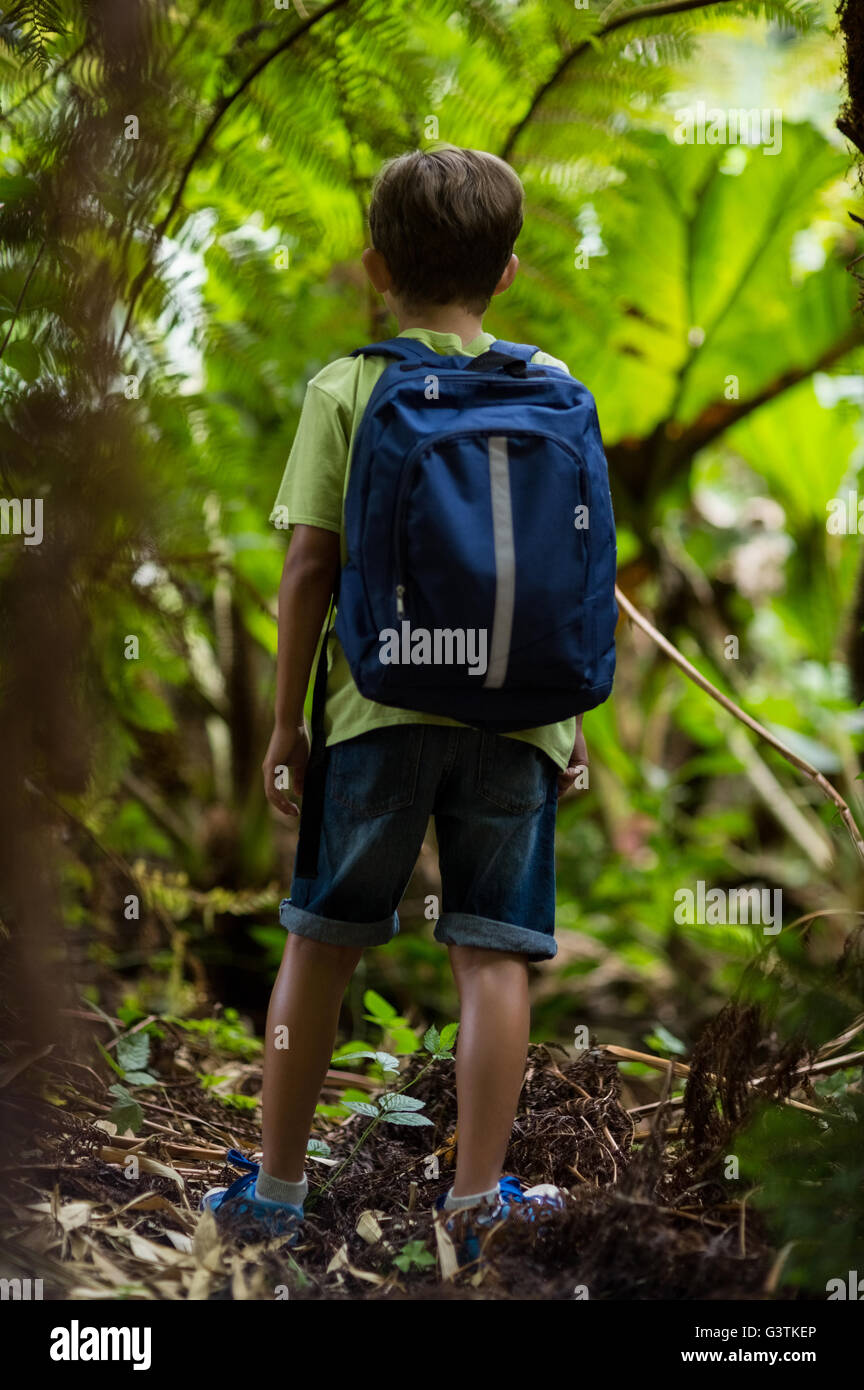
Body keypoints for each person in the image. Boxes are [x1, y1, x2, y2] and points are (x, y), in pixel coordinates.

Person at [202, 146, 590, 1262]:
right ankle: (474, 1205)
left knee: (320, 941)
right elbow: (571, 570)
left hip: (376, 706)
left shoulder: (349, 385)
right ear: (507, 273)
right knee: (493, 955)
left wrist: (286, 726)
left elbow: (307, 570)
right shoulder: (557, 389)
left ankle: (274, 1191)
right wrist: (570, 720)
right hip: (518, 716)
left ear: (375, 265)